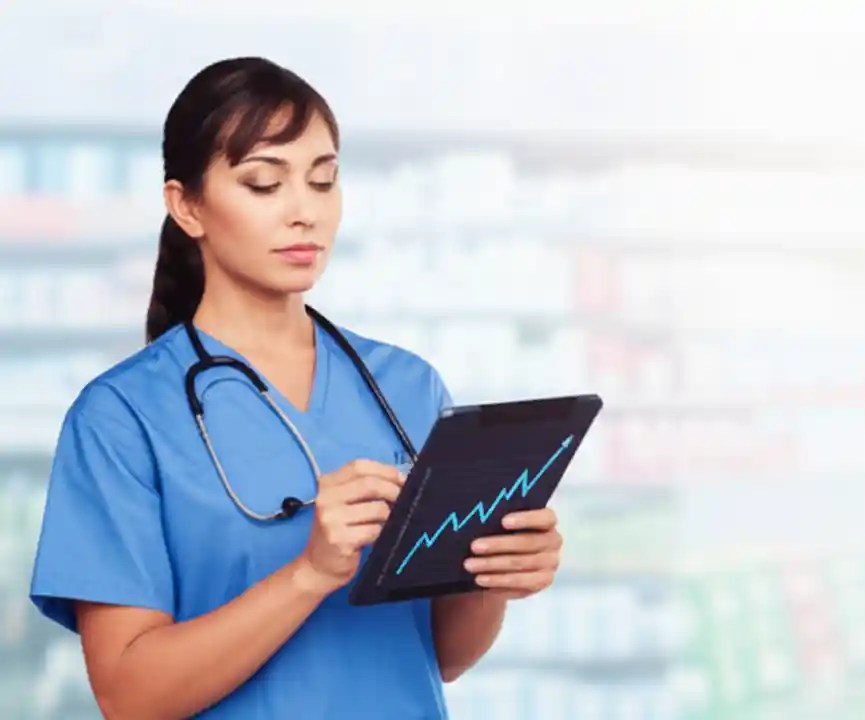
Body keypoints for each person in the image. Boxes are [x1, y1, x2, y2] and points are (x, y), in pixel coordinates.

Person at [27, 56, 564, 719]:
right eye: (264, 184)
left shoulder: (408, 388)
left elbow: (441, 656)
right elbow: (129, 697)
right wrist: (309, 574)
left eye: (323, 181)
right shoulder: (122, 417)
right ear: (186, 206)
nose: (305, 213)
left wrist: (494, 577)